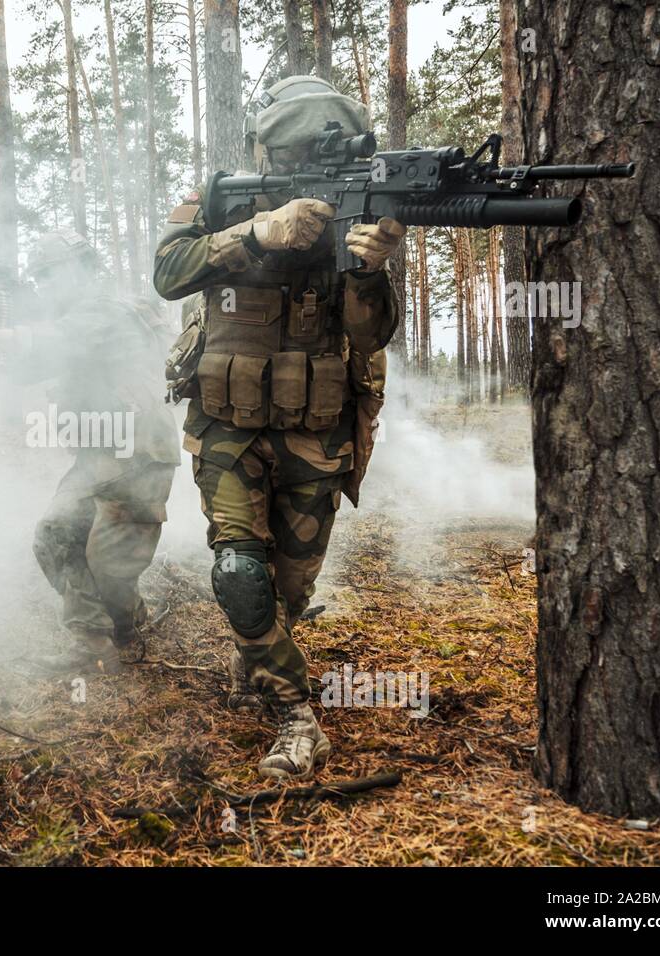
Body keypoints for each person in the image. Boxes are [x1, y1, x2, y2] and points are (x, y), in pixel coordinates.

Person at [153, 76, 404, 780]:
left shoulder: (364, 209)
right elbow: (168, 270)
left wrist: (367, 271)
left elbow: (373, 332)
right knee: (239, 572)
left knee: (287, 593)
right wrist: (254, 232)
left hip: (316, 432)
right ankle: (298, 717)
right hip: (229, 429)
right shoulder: (217, 199)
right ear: (268, 153)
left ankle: (259, 652)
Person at [0, 230, 180, 669]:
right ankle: (94, 639)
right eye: (39, 278)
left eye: (52, 274)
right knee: (55, 535)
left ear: (84, 269)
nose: (45, 285)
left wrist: (8, 332)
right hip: (100, 457)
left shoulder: (102, 313)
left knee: (111, 568)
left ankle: (124, 622)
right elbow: (26, 368)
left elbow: (54, 342)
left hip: (139, 456)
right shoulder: (79, 316)